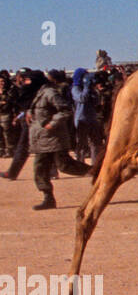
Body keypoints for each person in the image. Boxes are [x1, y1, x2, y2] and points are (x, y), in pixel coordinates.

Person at [26, 70, 91, 209]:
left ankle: (97, 172)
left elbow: (66, 110)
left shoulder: (50, 93)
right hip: (43, 140)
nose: (26, 83)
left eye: (28, 80)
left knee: (65, 165)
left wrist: (52, 123)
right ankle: (48, 198)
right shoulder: (39, 94)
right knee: (40, 169)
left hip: (54, 138)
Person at [70, 67, 106, 165]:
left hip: (92, 118)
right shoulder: (75, 88)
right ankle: (80, 165)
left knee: (96, 143)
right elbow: (82, 98)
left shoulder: (90, 89)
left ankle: (95, 165)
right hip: (81, 119)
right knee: (82, 144)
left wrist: (94, 91)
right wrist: (86, 87)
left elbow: (96, 103)